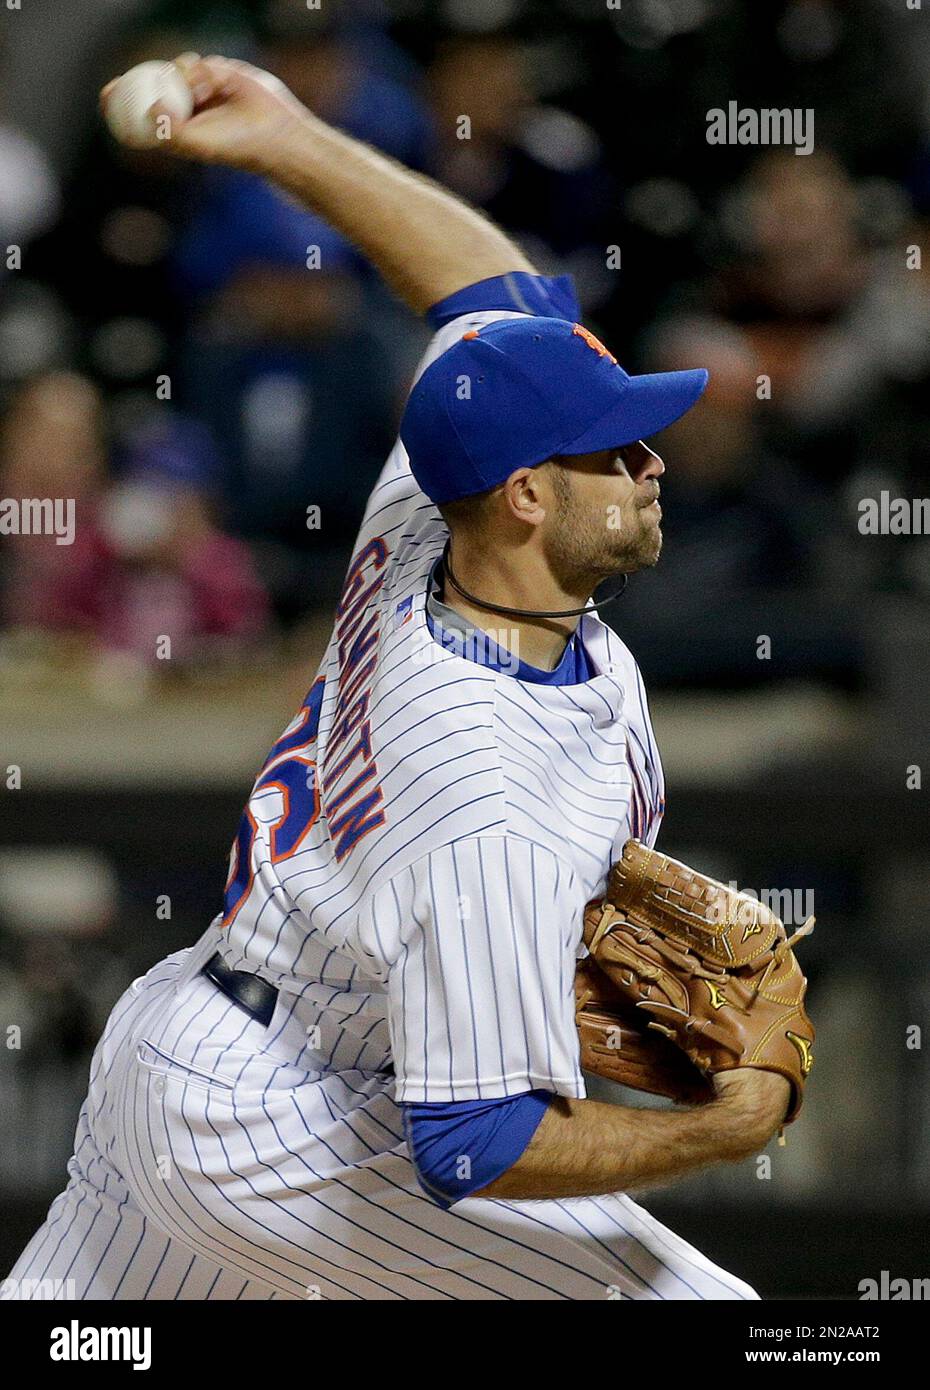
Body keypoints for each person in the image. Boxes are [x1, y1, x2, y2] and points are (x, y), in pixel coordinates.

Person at [2, 54, 790, 1301]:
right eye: (615, 446)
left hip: (190, 1035)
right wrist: (718, 1131)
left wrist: (288, 140)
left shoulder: (441, 497)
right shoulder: (482, 784)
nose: (652, 459)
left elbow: (502, 288)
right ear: (531, 495)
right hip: (277, 1127)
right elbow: (471, 1142)